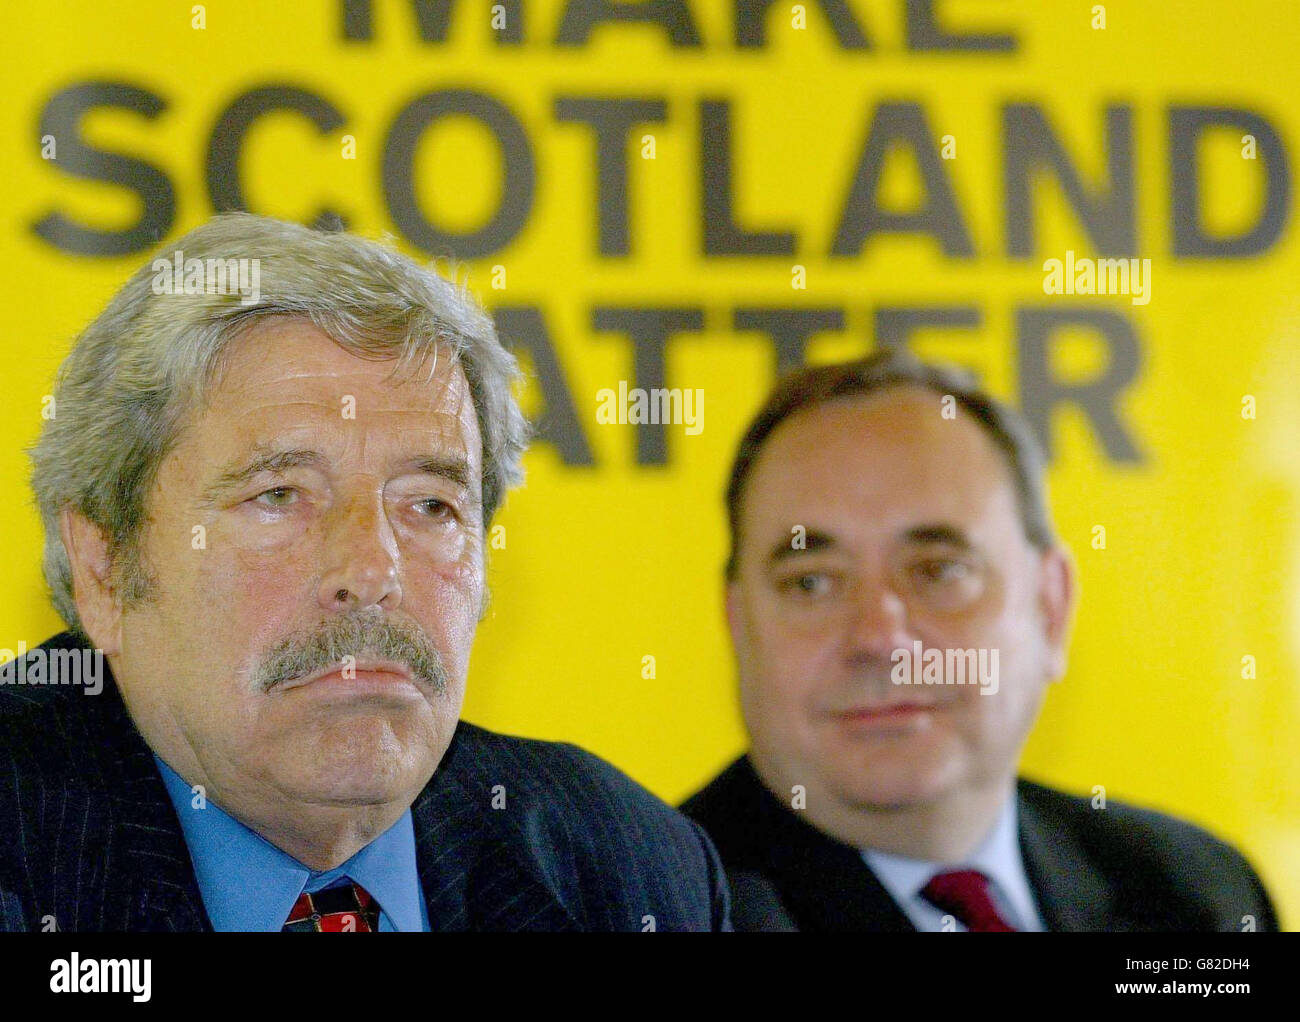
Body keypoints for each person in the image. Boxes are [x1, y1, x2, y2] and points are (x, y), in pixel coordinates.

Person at [1, 213, 728, 933]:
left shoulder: (629, 867)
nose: (374, 570)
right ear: (104, 567)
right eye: (279, 496)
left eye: (430, 505)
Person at [681, 349, 1277, 931]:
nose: (880, 638)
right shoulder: (656, 908)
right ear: (738, 625)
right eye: (810, 583)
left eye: (938, 570)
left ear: (1051, 607)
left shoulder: (1195, 896)